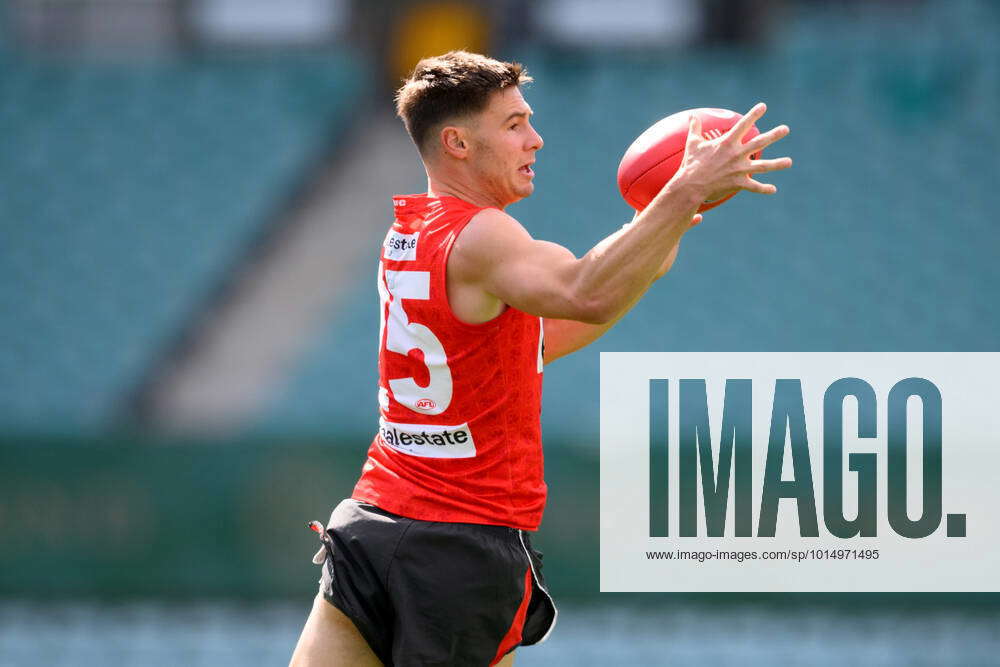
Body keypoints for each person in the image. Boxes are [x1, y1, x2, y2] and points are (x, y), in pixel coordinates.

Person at [289, 50, 792, 666]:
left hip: (375, 521)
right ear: (457, 142)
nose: (536, 138)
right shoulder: (485, 235)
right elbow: (588, 290)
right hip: (459, 546)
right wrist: (683, 186)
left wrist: (664, 216)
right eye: (514, 124)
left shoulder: (411, 230)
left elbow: (550, 331)